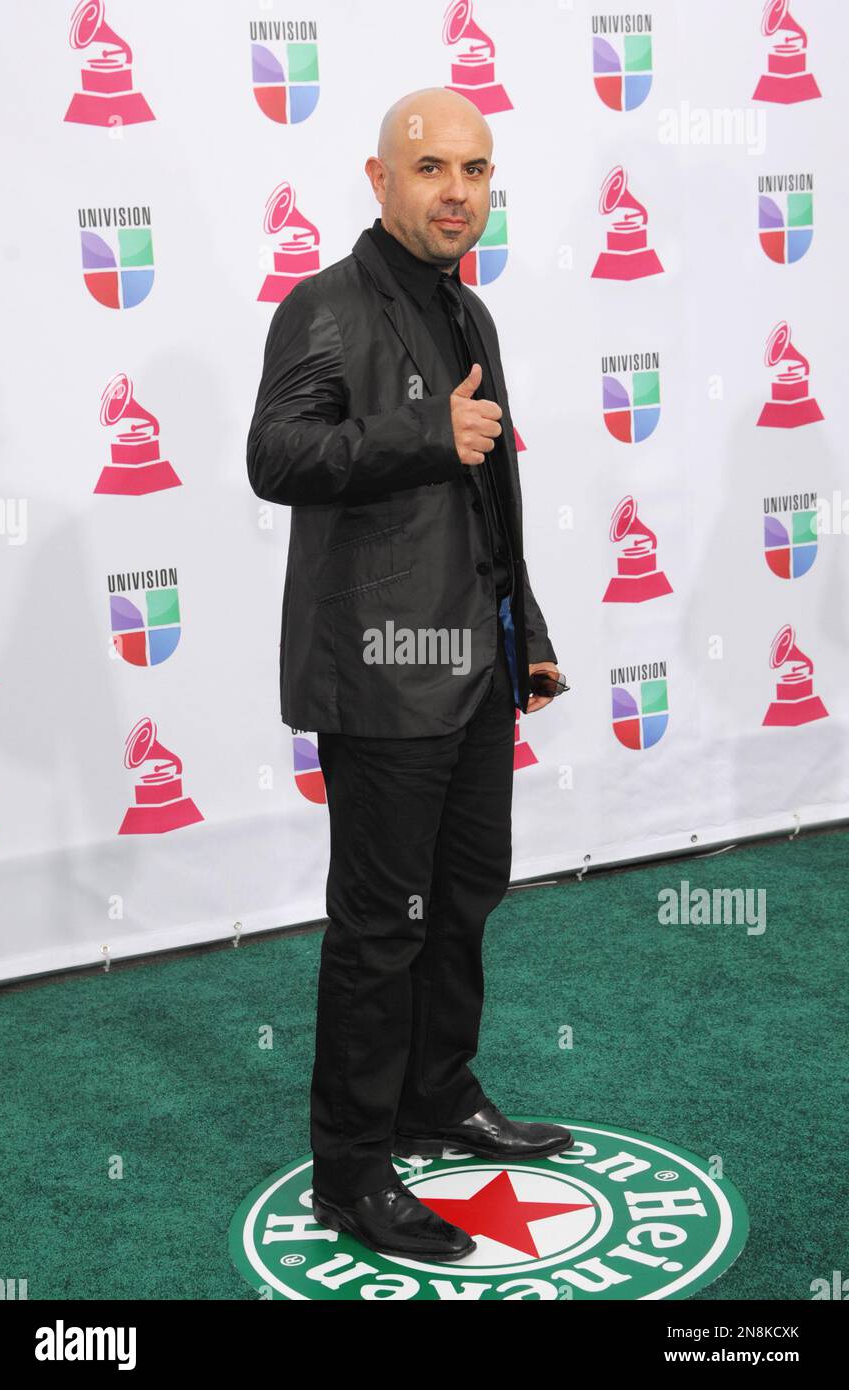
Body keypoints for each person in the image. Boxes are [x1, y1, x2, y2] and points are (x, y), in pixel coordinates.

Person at [246, 86, 572, 1264]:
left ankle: (439, 1094)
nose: (457, 193)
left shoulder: (467, 308)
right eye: (431, 169)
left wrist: (521, 625)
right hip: (383, 676)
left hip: (474, 664)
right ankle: (351, 1170)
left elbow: (489, 494)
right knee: (381, 925)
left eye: (475, 171)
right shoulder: (326, 306)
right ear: (379, 181)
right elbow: (273, 455)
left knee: (467, 895)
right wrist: (421, 435)